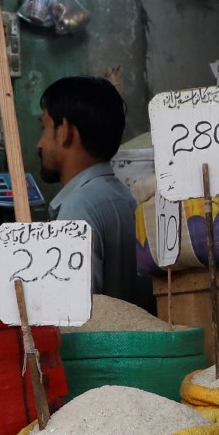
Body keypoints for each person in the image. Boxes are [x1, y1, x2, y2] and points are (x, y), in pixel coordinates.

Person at [37, 75, 155, 310]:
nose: (39, 143)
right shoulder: (124, 197)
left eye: (45, 127)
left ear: (66, 131)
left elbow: (71, 315)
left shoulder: (78, 208)